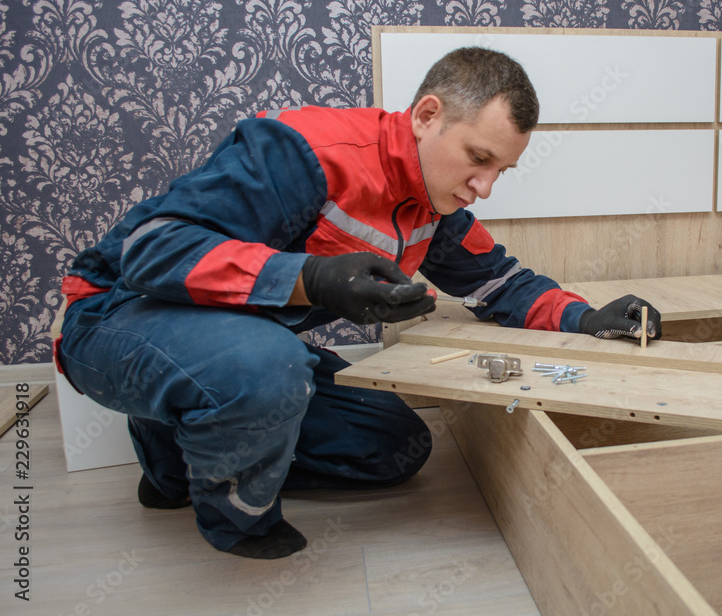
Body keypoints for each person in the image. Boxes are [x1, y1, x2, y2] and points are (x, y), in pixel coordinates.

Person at [55, 47, 663, 559]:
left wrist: (586, 316)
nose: (484, 186)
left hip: (228, 338)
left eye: (501, 171)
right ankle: (231, 515)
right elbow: (154, 251)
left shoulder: (435, 206)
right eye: (479, 158)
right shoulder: (303, 151)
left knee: (398, 446)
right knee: (268, 366)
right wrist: (314, 278)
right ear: (428, 115)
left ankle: (187, 442)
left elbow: (499, 283)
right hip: (116, 317)